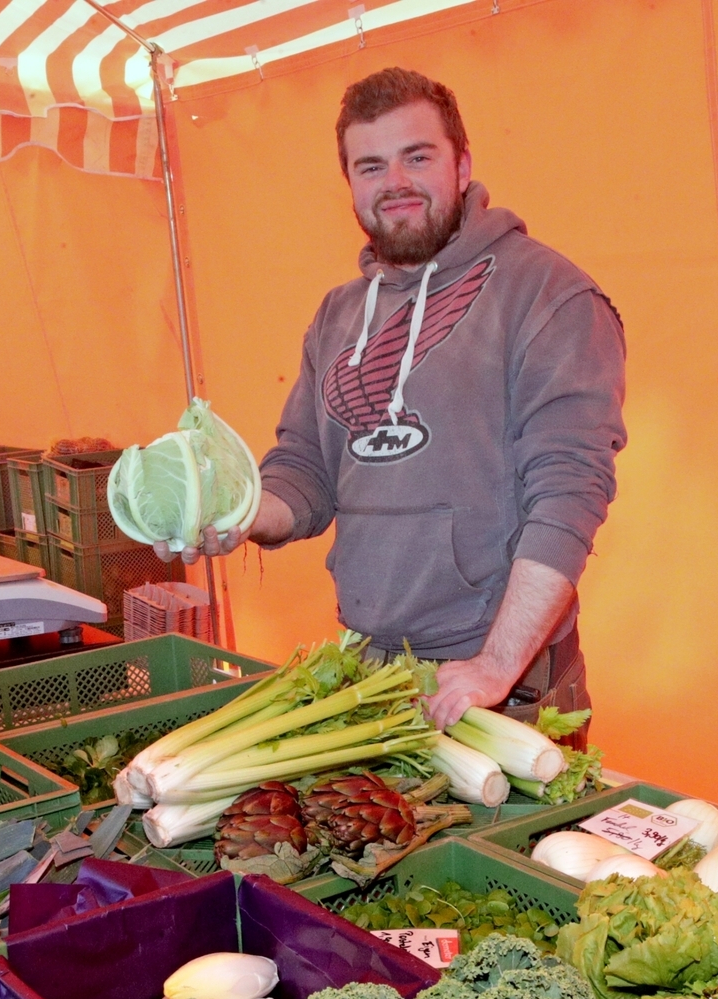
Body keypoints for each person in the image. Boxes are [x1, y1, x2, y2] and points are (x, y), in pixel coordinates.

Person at [164, 67, 625, 732]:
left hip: (501, 687)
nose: (396, 183)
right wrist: (232, 513)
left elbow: (569, 491)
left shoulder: (548, 296)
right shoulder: (338, 315)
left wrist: (497, 665)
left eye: (418, 157)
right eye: (371, 165)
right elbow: (306, 473)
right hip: (372, 675)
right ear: (349, 183)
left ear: (462, 165)